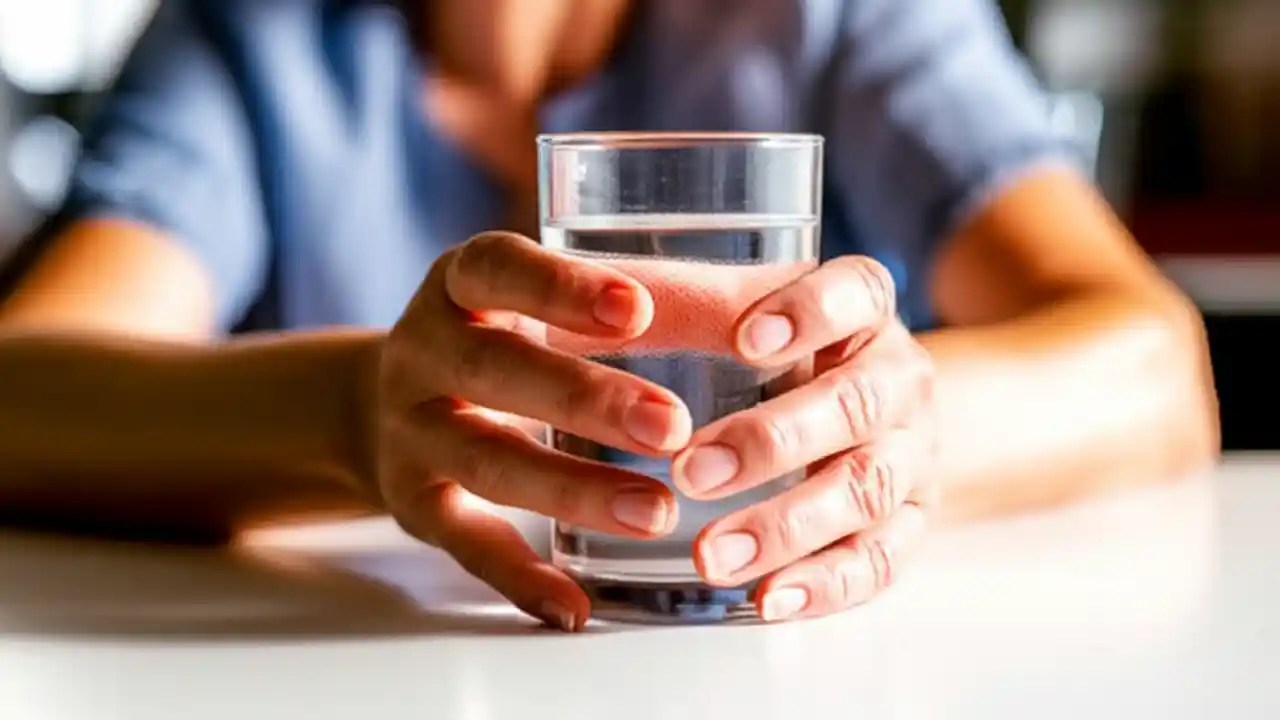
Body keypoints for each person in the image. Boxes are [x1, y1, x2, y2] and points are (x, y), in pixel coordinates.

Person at [0, 0, 1219, 631]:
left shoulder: (836, 15)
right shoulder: (253, 37)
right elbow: (26, 394)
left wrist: (893, 434)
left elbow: (1150, 363)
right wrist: (362, 416)